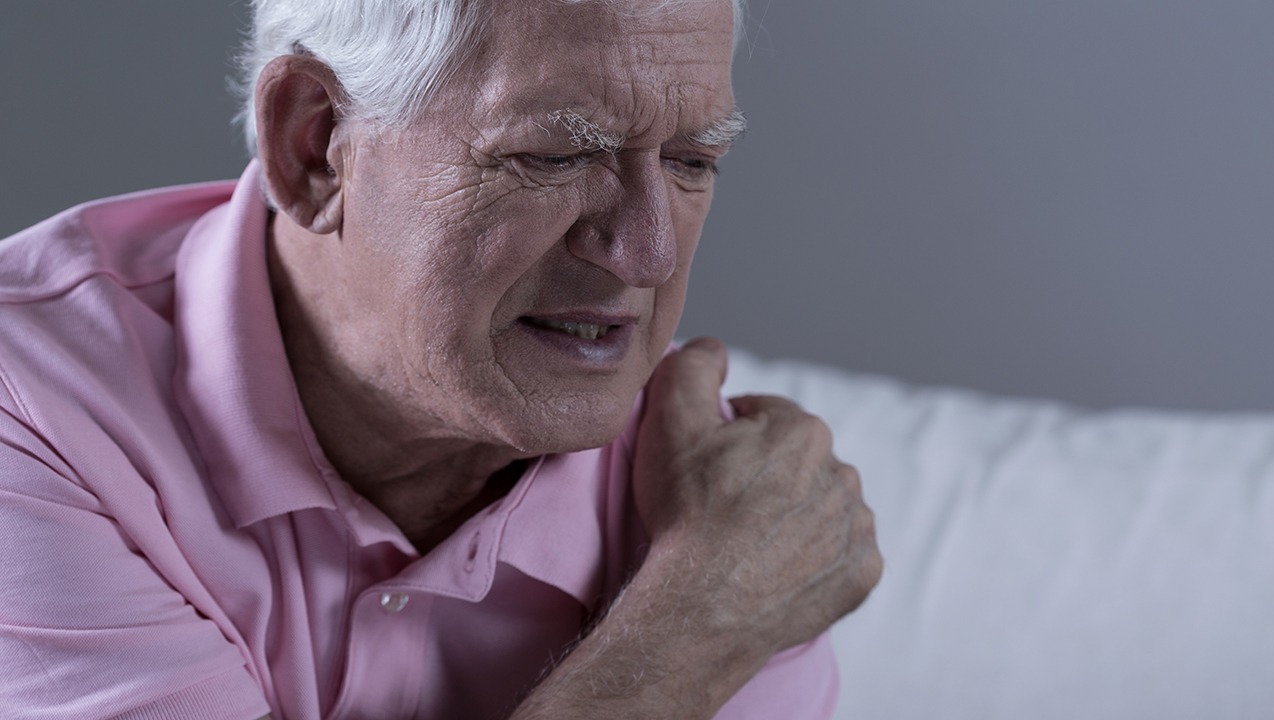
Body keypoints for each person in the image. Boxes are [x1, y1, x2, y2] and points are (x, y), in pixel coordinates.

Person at [0, 0, 881, 717]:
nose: (647, 254)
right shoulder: (36, 405)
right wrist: (686, 634)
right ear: (316, 149)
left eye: (693, 161)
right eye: (556, 154)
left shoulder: (728, 500)